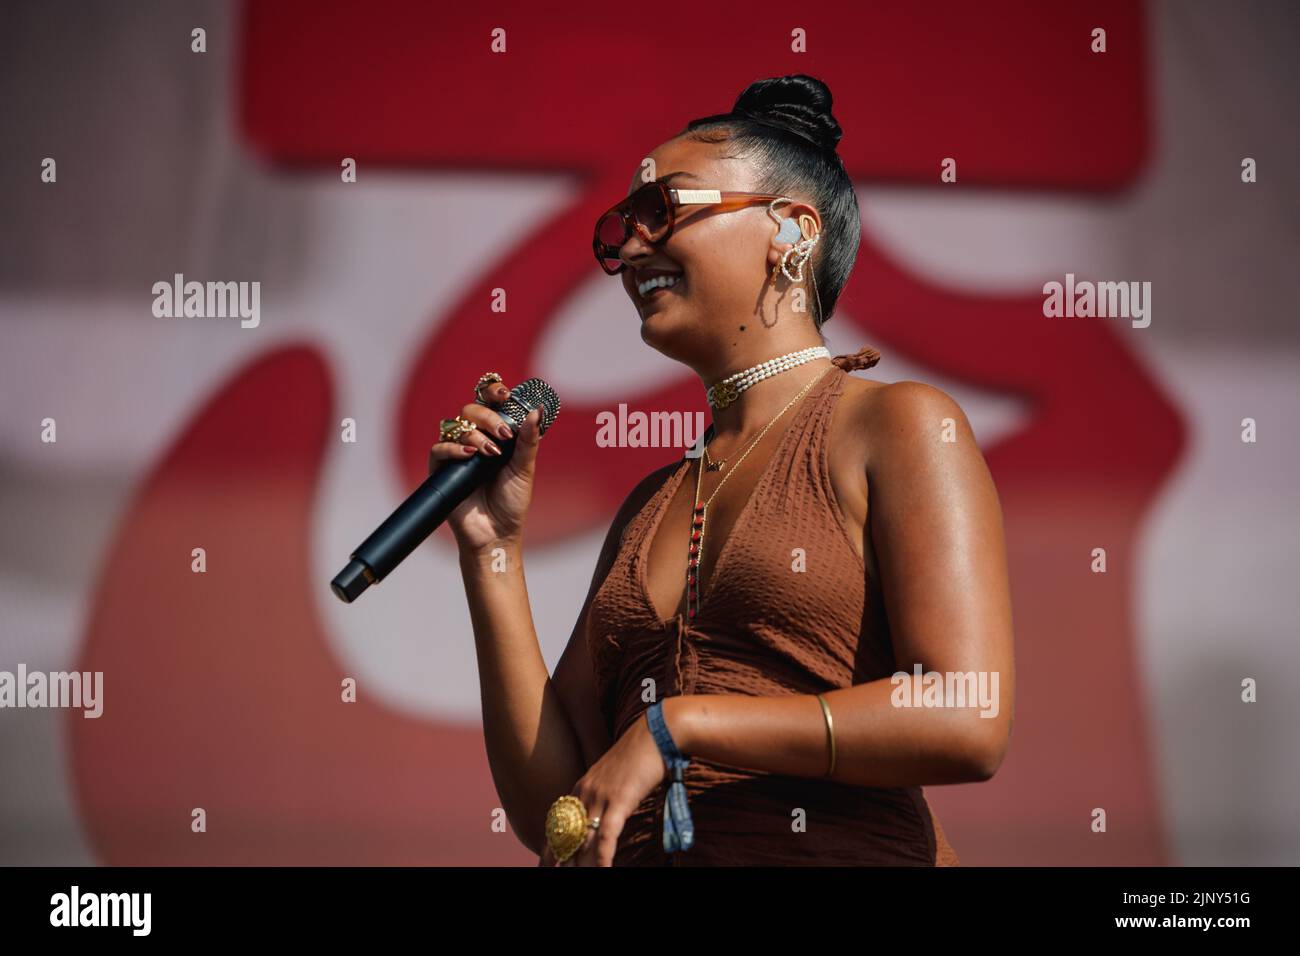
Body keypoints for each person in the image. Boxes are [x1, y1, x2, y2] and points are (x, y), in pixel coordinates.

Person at [431, 74, 1014, 866]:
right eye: (622, 225)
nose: (632, 246)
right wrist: (491, 551)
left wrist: (687, 723)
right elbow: (561, 820)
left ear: (791, 230)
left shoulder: (898, 424)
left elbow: (966, 716)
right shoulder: (652, 505)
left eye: (663, 211)